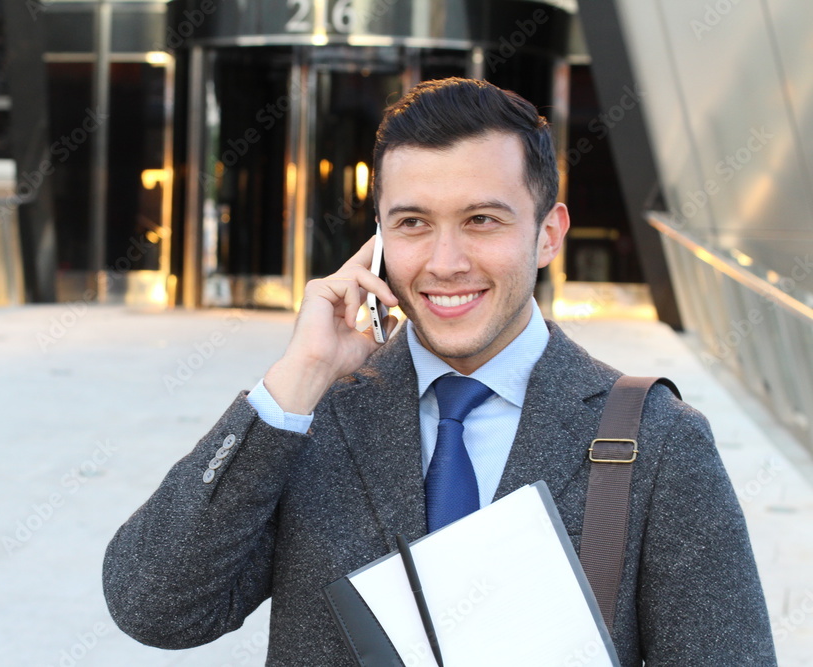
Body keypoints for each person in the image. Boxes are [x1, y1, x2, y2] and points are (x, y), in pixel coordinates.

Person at [102, 77, 776, 665]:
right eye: (414, 223)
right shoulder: (314, 419)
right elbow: (155, 605)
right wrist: (298, 377)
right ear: (378, 237)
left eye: (481, 219)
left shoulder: (659, 443)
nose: (445, 261)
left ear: (548, 234)